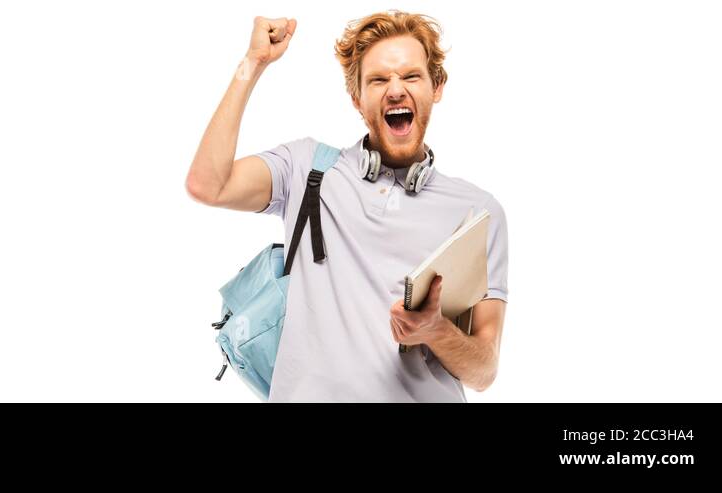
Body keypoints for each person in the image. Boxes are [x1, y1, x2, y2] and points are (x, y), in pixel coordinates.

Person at [185, 11, 508, 402]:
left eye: (410, 76)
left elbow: (484, 371)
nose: (395, 90)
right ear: (356, 98)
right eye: (378, 80)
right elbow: (207, 184)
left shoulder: (477, 212)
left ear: (436, 86)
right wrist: (252, 64)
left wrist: (435, 330)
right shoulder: (306, 169)